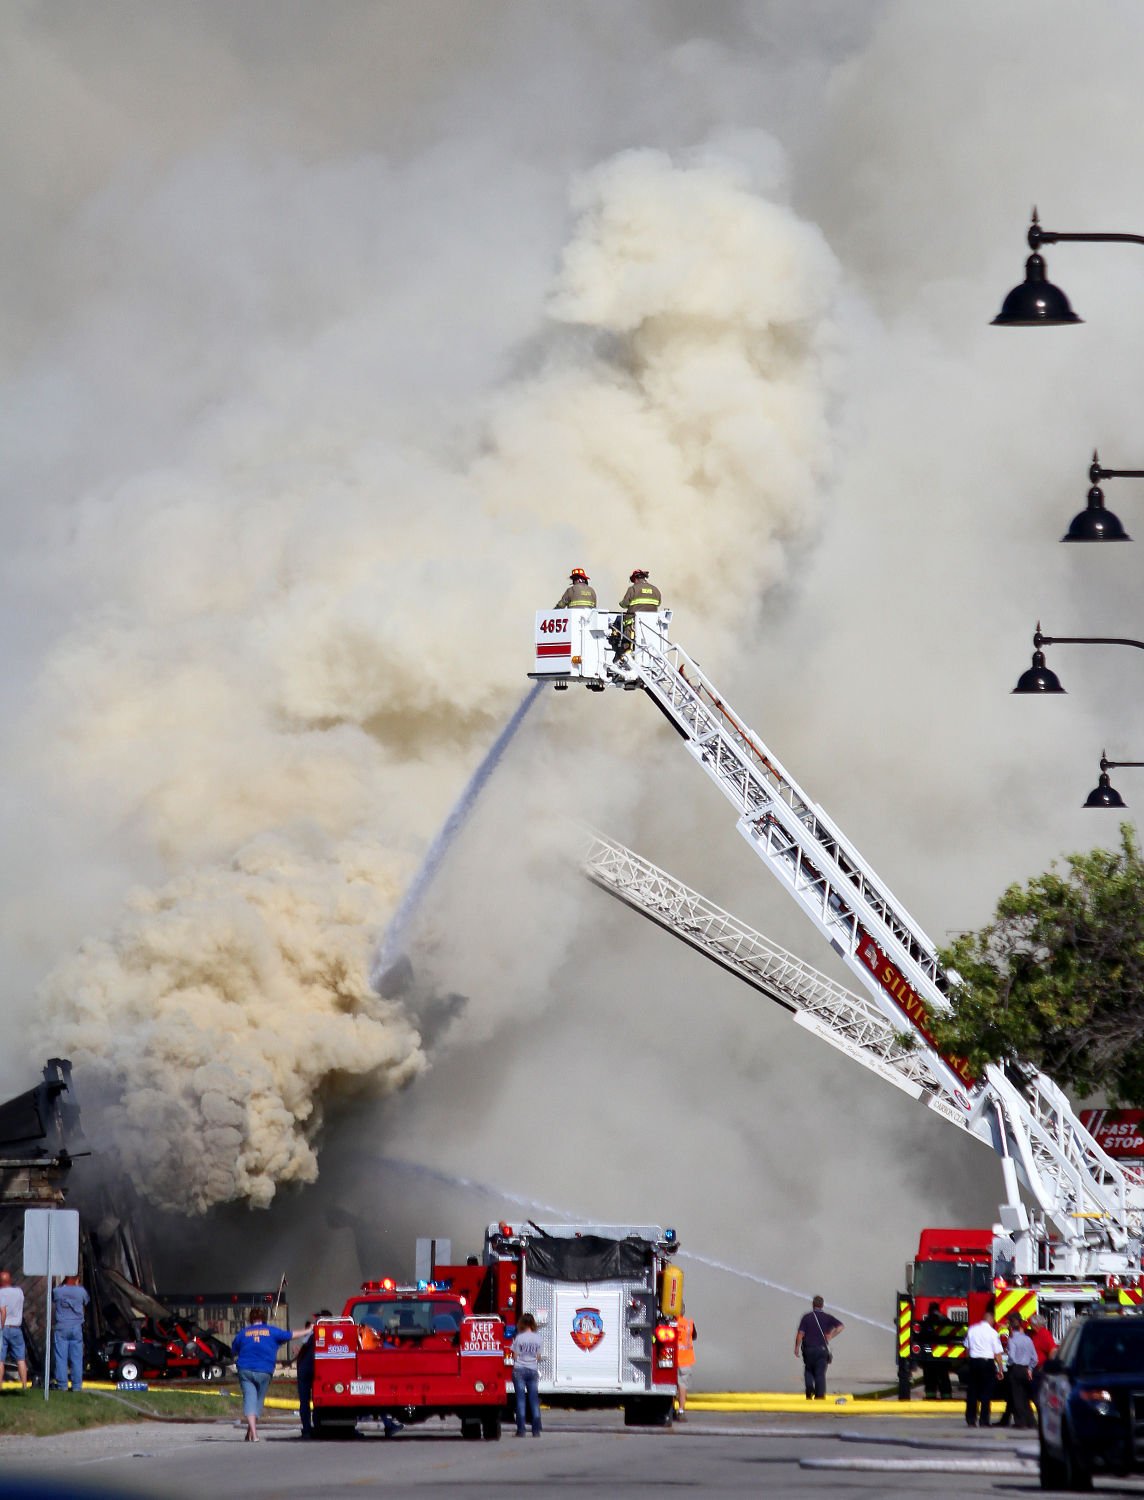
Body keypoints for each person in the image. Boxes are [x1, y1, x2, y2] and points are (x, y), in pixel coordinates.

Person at [231, 1306, 307, 1442]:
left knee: (249, 1400)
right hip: (264, 1370)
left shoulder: (243, 1333)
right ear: (264, 1319)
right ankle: (253, 1433)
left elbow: (234, 1349)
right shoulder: (272, 1331)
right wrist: (308, 1330)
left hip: (245, 1369)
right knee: (258, 1401)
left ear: (250, 1319)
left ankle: (252, 1433)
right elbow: (291, 1335)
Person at [794, 1296, 844, 1401]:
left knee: (808, 1370)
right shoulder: (828, 1317)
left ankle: (809, 1389)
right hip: (822, 1350)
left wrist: (796, 1348)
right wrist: (831, 1335)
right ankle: (819, 1397)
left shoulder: (807, 1317)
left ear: (813, 1304)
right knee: (820, 1373)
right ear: (822, 1305)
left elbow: (800, 1334)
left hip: (809, 1349)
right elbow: (840, 1326)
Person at [963, 1301, 1004, 1428]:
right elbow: (997, 1353)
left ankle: (971, 1419)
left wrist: (968, 1361)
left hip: (974, 1362)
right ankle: (984, 1420)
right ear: (991, 1320)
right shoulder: (993, 1333)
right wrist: (1000, 1369)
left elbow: (967, 1349)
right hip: (987, 1363)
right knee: (986, 1393)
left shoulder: (972, 1329)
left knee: (972, 1392)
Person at [612, 569, 662, 667]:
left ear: (635, 579)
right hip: (652, 626)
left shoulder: (633, 589)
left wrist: (621, 603)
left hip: (632, 624)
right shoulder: (656, 590)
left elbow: (624, 604)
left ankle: (623, 655)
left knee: (618, 631)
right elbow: (658, 603)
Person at [998, 1315, 1037, 1428]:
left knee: (1017, 1397)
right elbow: (1034, 1358)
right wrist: (1030, 1369)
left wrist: (1007, 1364)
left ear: (1011, 1328)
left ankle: (1021, 1422)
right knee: (1025, 1397)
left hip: (1015, 1369)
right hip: (1025, 1369)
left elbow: (1012, 1357)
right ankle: (1031, 1422)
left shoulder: (1012, 1340)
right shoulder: (1028, 1339)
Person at [51, 1274, 89, 1392]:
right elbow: (86, 1301)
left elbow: (53, 1298)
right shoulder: (81, 1291)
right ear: (77, 1279)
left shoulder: (57, 1291)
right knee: (76, 1358)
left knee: (61, 1357)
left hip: (62, 1327)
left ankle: (62, 1385)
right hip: (76, 1328)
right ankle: (77, 1385)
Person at [511, 1312, 543, 1437]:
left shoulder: (519, 1338)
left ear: (522, 1324)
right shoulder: (538, 1338)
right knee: (534, 1399)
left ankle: (521, 1430)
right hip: (533, 1369)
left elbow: (514, 1356)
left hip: (519, 1370)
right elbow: (538, 1357)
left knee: (520, 1400)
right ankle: (536, 1430)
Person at [0, 1269, 29, 1390]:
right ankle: (24, 1385)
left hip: (3, 1327)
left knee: (0, 1359)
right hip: (16, 1328)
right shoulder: (19, 1292)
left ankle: (0, 1385)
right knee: (21, 1359)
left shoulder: (0, 1293)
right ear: (10, 1280)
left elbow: (3, 1311)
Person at [918, 1302, 952, 1400]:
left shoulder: (927, 1321)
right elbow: (950, 1338)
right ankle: (946, 1396)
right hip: (943, 1354)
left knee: (929, 1377)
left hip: (929, 1354)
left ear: (929, 1310)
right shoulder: (946, 1320)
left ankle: (930, 1396)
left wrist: (925, 1354)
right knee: (944, 1376)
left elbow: (922, 1338)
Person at [1028, 1313, 1057, 1410]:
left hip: (1040, 1370)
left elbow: (1052, 1350)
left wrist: (1046, 1366)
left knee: (1038, 1396)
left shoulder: (1044, 1334)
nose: (1031, 1326)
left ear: (1038, 1325)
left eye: (1032, 1324)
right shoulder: (1034, 1334)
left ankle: (1043, 1417)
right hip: (1033, 1369)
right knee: (1033, 1394)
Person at [674, 1304, 697, 1420]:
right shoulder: (689, 1324)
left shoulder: (670, 1324)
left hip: (671, 1361)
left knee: (670, 1386)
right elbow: (694, 1337)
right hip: (685, 1361)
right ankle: (681, 1410)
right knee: (682, 1386)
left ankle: (671, 1409)